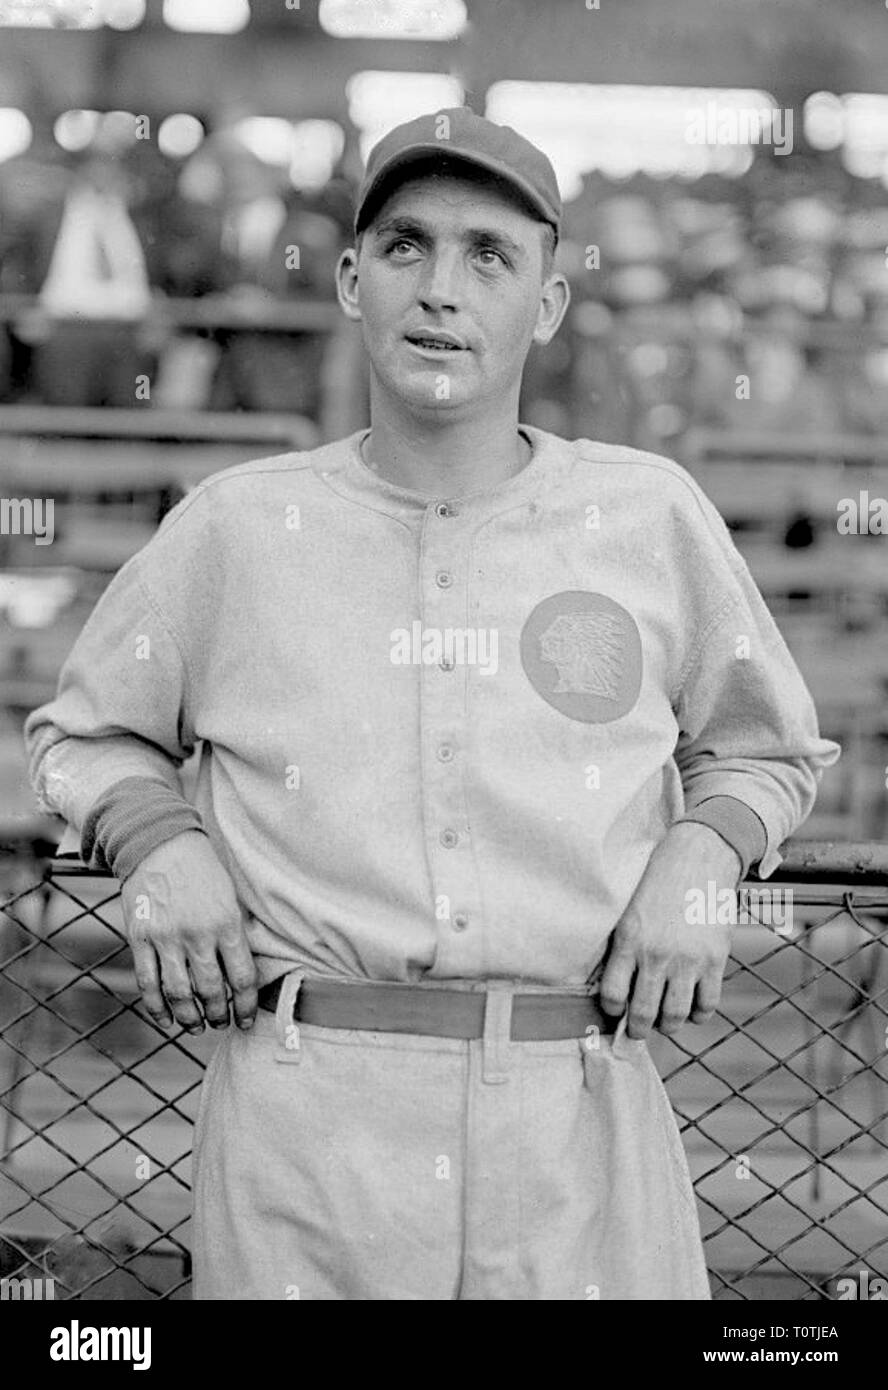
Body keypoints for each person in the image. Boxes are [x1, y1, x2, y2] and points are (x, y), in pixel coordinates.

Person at [23, 108, 841, 1301]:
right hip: (307, 1121)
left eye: (490, 256)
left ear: (548, 306)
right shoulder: (239, 527)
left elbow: (770, 750)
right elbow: (81, 737)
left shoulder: (649, 516)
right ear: (351, 281)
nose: (441, 290)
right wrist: (156, 840)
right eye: (406, 247)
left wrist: (703, 855)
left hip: (582, 1108)